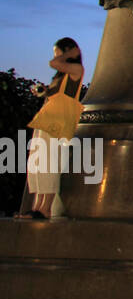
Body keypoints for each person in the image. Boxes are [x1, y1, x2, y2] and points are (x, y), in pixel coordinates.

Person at [20, 38, 84, 220]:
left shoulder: (76, 69)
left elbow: (53, 63)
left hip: (59, 123)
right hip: (47, 120)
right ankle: (37, 207)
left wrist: (70, 54)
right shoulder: (62, 75)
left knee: (48, 163)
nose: (58, 57)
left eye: (60, 52)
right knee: (38, 164)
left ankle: (44, 209)